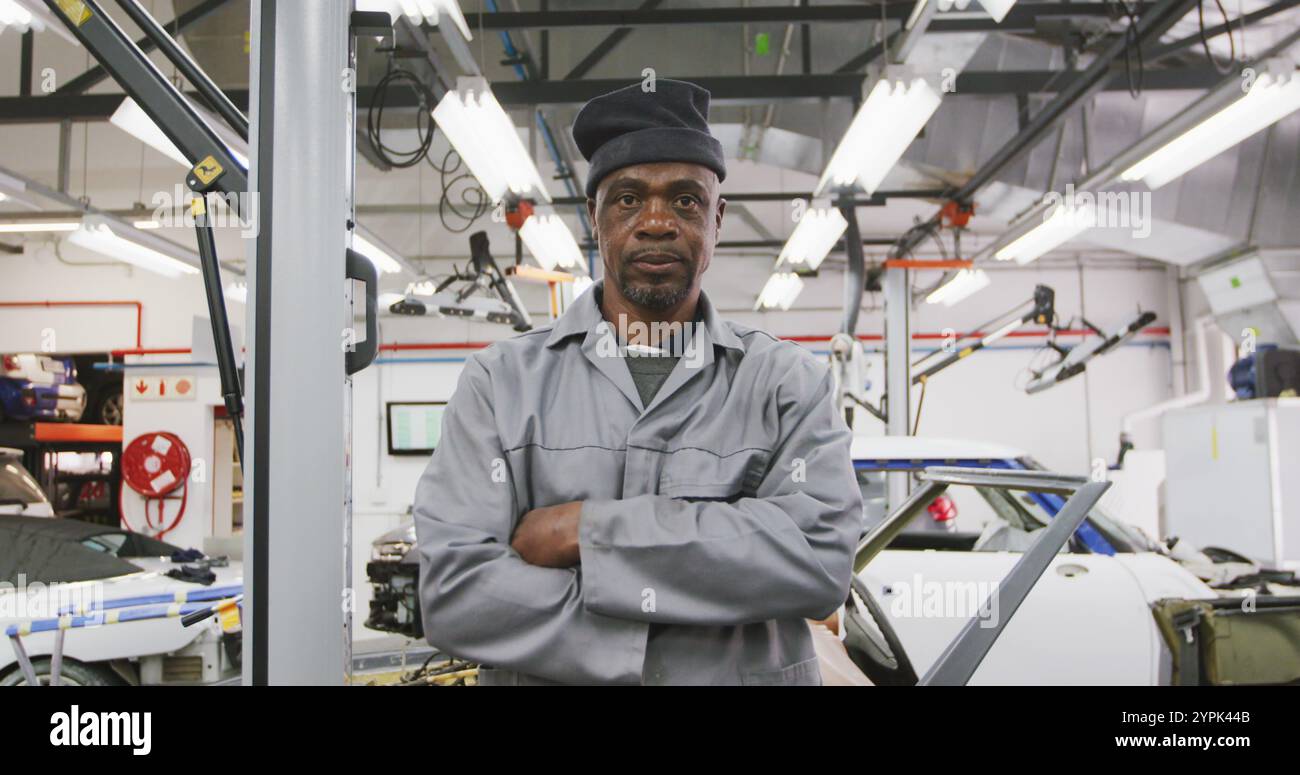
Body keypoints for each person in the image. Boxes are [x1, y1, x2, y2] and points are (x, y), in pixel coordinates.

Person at [412, 78, 863, 685]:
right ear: (594, 219)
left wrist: (583, 530)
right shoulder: (500, 384)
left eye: (685, 200)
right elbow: (456, 594)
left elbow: (817, 560)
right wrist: (688, 634)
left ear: (717, 219)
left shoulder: (787, 385)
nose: (656, 222)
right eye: (628, 199)